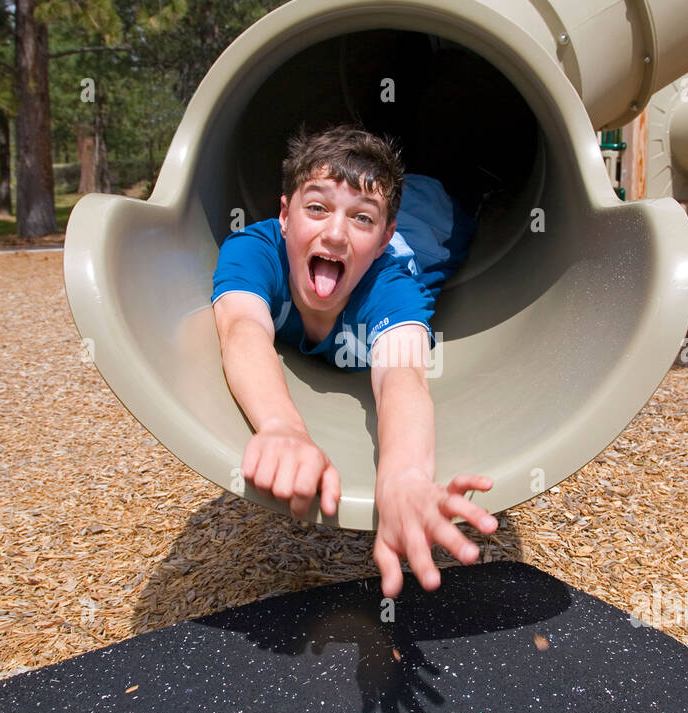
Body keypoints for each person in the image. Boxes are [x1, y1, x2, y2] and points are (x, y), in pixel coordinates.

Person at [211, 122, 497, 598]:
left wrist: (405, 474)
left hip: (436, 216)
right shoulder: (254, 250)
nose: (336, 233)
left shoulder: (392, 287)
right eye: (317, 208)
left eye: (362, 219)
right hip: (401, 211)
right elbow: (242, 330)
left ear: (385, 239)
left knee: (465, 188)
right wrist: (282, 426)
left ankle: (471, 182)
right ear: (284, 215)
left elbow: (402, 378)